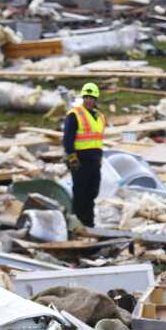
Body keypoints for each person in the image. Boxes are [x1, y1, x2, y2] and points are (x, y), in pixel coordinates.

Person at [63, 83, 105, 227]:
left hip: (94, 160)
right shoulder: (74, 115)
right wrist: (72, 157)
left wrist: (99, 159)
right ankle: (77, 223)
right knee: (80, 192)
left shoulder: (99, 116)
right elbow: (67, 139)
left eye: (91, 97)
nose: (88, 100)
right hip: (80, 159)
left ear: (95, 99)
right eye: (86, 97)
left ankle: (88, 223)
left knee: (92, 192)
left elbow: (97, 140)